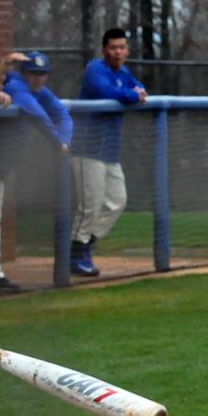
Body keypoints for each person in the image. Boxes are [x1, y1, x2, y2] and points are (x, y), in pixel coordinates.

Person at [0, 51, 69, 292]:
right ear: (23, 73)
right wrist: (57, 142)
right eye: (33, 74)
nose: (38, 79)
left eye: (42, 74)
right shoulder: (16, 86)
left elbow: (63, 114)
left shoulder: (39, 92)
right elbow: (38, 114)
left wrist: (65, 139)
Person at [71, 27, 147, 277]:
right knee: (89, 204)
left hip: (110, 150)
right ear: (105, 50)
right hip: (86, 148)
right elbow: (107, 92)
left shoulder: (124, 72)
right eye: (113, 47)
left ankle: (85, 242)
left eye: (122, 47)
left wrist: (137, 92)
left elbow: (140, 89)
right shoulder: (95, 69)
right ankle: (77, 252)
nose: (118, 52)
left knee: (117, 200)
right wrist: (131, 95)